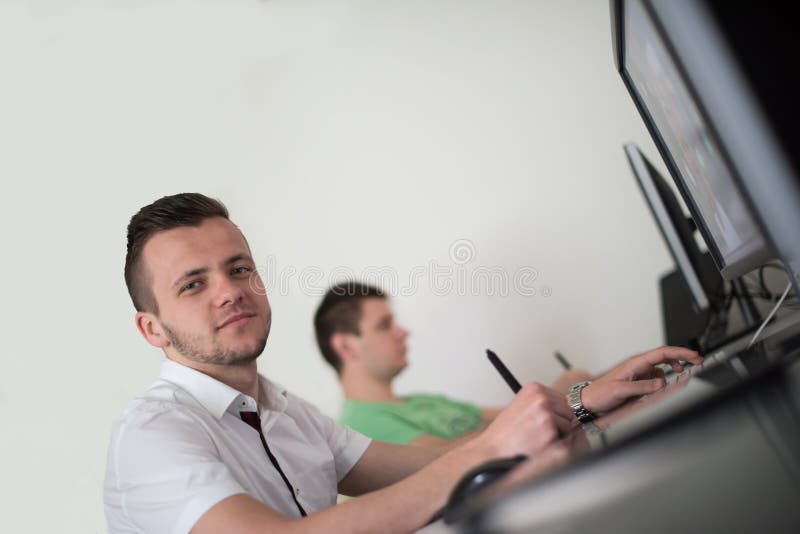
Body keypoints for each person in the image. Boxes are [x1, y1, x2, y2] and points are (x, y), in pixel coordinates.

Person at [104, 193, 701, 534]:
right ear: (151, 329)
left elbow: (430, 467)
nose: (229, 291)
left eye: (238, 269)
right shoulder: (153, 434)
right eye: (193, 284)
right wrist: (493, 449)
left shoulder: (286, 411)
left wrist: (579, 403)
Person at [314, 281, 592, 447]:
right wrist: (556, 394)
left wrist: (565, 393)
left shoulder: (422, 402)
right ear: (346, 347)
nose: (402, 331)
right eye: (384, 325)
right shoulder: (360, 428)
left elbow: (512, 415)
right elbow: (448, 460)